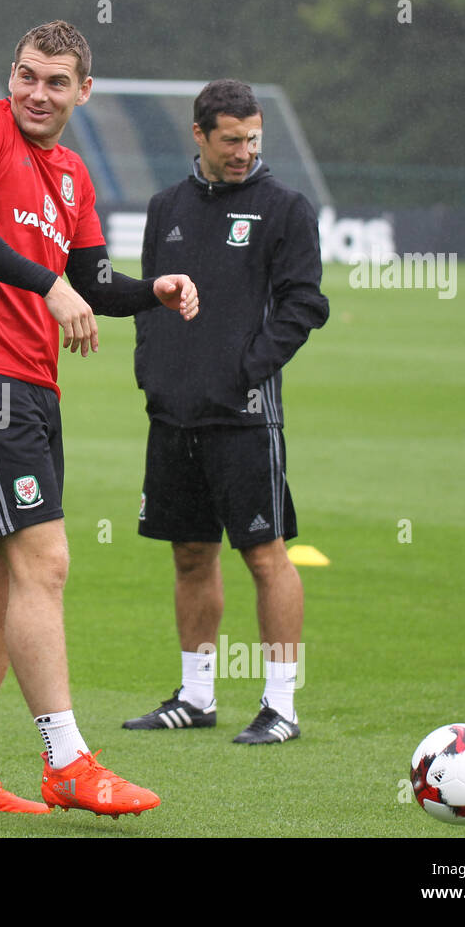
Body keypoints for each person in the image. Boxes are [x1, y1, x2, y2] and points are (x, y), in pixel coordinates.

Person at [0, 21, 199, 816]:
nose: (37, 94)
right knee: (46, 563)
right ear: (11, 74)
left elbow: (94, 280)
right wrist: (51, 288)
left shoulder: (72, 172)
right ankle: (67, 761)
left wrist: (154, 289)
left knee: (6, 579)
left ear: (84, 91)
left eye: (55, 82)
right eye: (27, 76)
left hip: (31, 389)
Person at [123, 79, 329, 744]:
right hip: (172, 414)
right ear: (201, 136)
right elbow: (153, 298)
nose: (243, 152)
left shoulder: (285, 209)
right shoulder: (166, 207)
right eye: (231, 140)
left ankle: (281, 707)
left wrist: (246, 369)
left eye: (252, 139)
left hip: (243, 416)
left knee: (265, 554)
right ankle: (196, 696)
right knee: (189, 553)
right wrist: (152, 372)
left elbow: (304, 306)